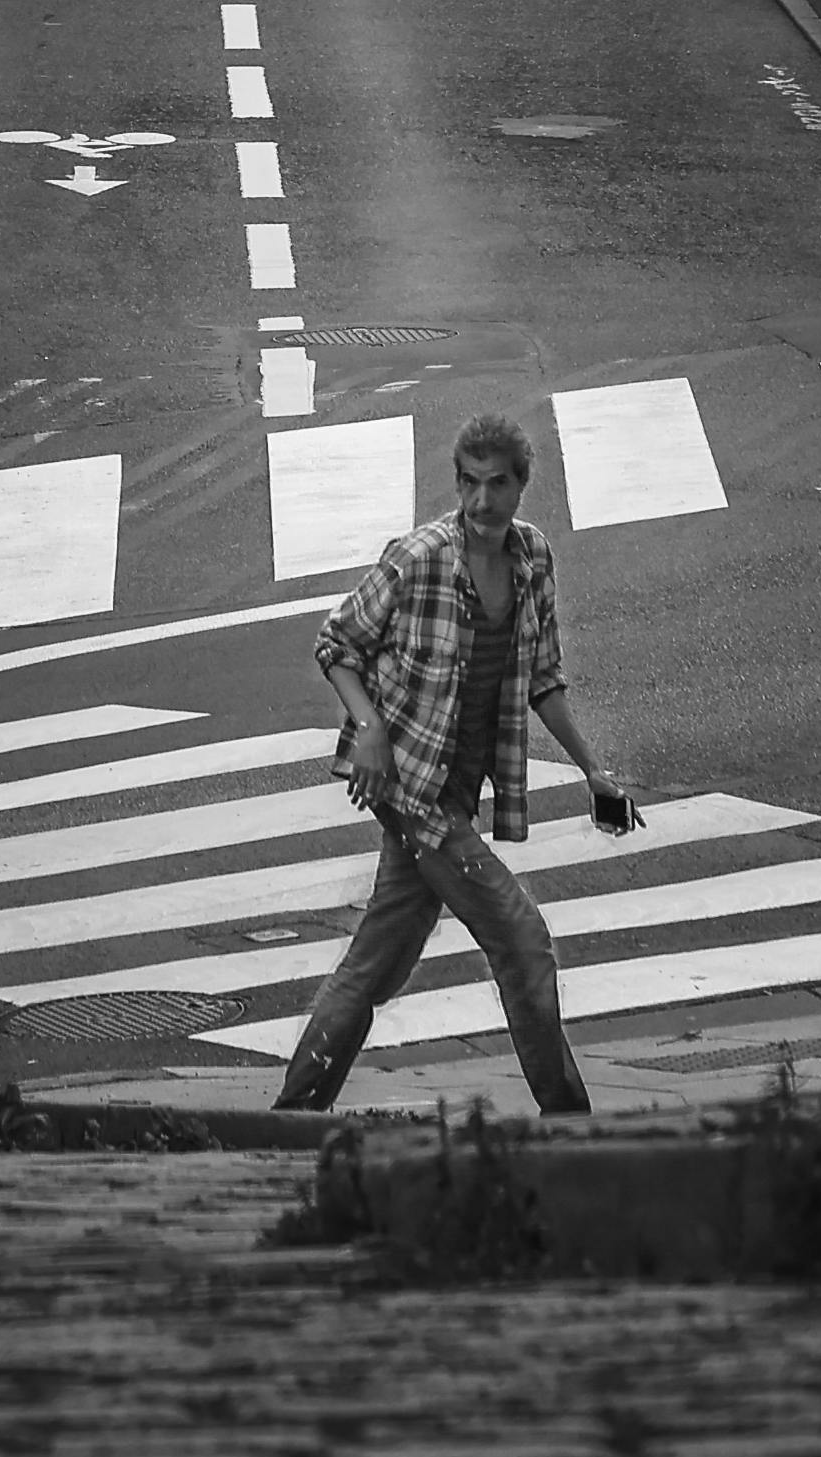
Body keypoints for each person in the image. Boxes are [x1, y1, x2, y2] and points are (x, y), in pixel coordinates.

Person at [268, 409, 645, 1116]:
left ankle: (293, 1118)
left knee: (376, 962)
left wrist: (595, 771)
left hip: (455, 791)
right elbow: (336, 643)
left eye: (496, 485)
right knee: (522, 938)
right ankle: (569, 1120)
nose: (480, 502)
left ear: (521, 487)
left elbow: (543, 677)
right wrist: (368, 727)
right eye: (468, 484)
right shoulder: (418, 559)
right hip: (410, 788)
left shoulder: (532, 560)